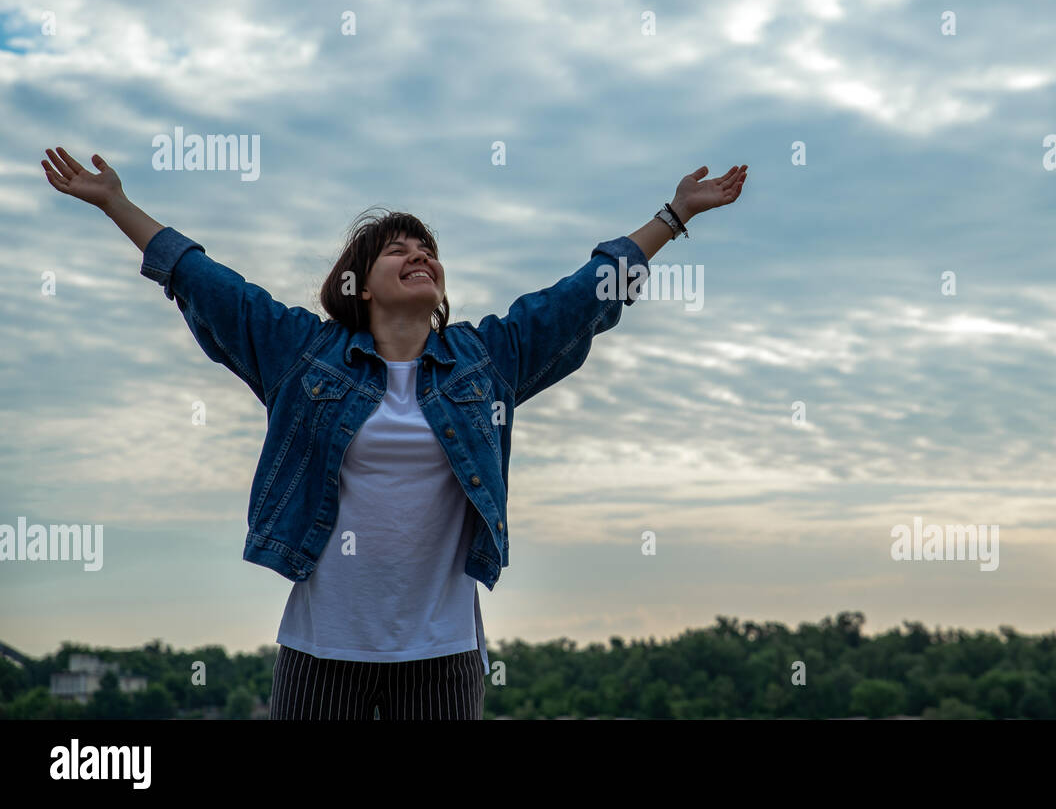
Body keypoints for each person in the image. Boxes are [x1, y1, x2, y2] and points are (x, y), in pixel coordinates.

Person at [41, 145, 747, 719]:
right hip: (322, 650)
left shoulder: (486, 360)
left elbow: (583, 297)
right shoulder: (302, 354)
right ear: (362, 284)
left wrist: (675, 214)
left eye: (428, 249)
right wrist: (117, 203)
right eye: (397, 249)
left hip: (441, 655)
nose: (419, 254)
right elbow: (202, 281)